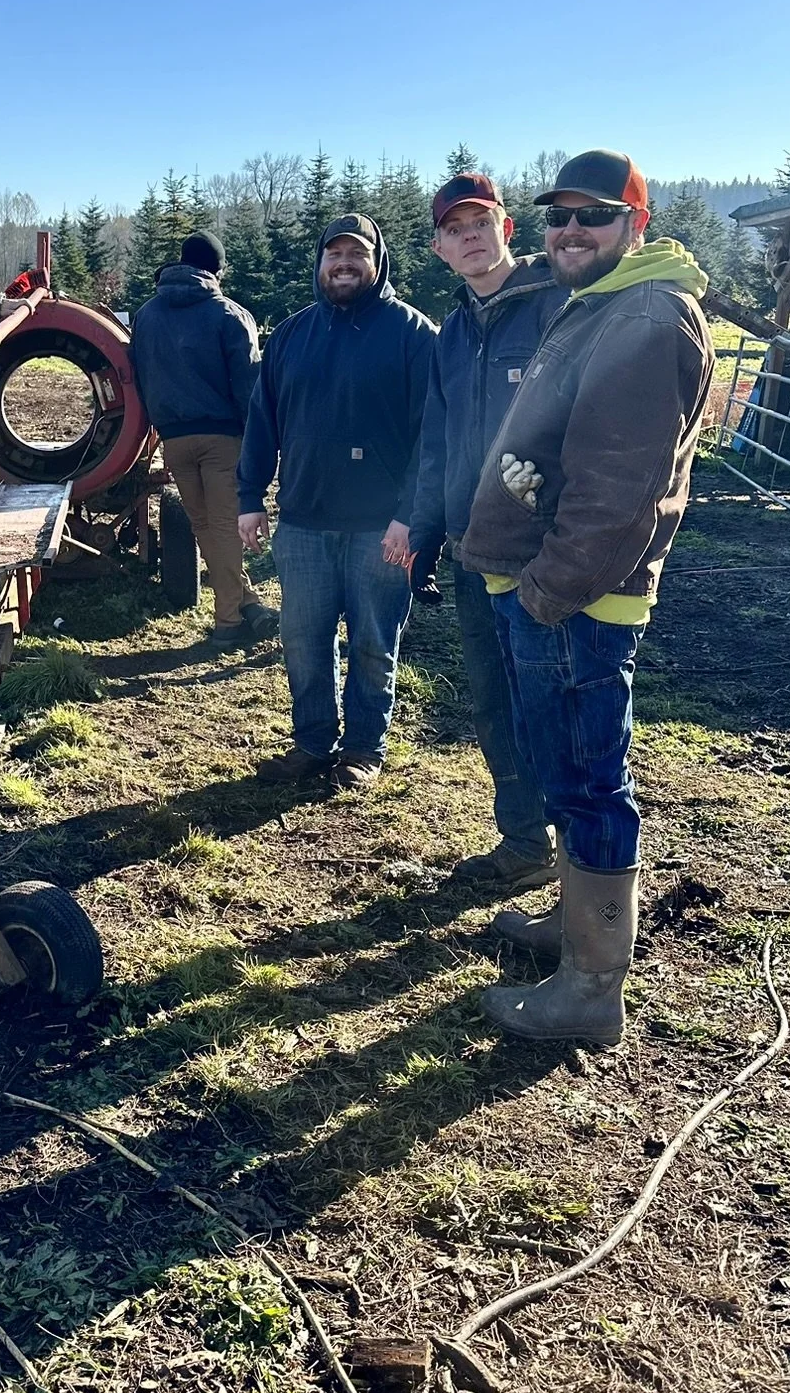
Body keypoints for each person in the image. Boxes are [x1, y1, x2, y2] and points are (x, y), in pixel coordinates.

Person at [459, 149, 712, 1045]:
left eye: (594, 215)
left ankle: (590, 991)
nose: (570, 231)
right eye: (558, 215)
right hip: (551, 595)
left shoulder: (645, 313)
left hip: (573, 608)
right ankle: (575, 932)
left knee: (589, 785)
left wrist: (542, 595)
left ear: (635, 224)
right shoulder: (607, 305)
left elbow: (619, 491)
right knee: (569, 779)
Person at [405, 172, 567, 896]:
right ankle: (525, 840)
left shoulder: (556, 308)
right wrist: (423, 531)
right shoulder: (452, 331)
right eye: (455, 228)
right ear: (439, 247)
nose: (470, 236)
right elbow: (437, 441)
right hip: (473, 549)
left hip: (541, 551)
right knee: (491, 696)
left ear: (506, 226)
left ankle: (582, 854)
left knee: (554, 696)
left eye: (481, 222)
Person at [237, 213, 436, 790]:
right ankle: (313, 742)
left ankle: (363, 751)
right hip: (302, 524)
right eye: (334, 254)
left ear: (377, 263)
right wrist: (250, 497)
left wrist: (410, 516)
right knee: (303, 642)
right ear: (320, 262)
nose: (344, 264)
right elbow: (261, 422)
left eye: (357, 254)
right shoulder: (292, 336)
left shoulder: (413, 335)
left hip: (383, 531)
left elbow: (434, 439)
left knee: (374, 642)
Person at [130, 231, 279, 648]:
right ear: (217, 269)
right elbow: (249, 386)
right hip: (222, 437)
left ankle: (245, 601)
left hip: (174, 437)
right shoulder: (230, 314)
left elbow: (137, 373)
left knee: (204, 526)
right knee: (226, 526)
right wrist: (259, 442)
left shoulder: (146, 314)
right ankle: (229, 623)